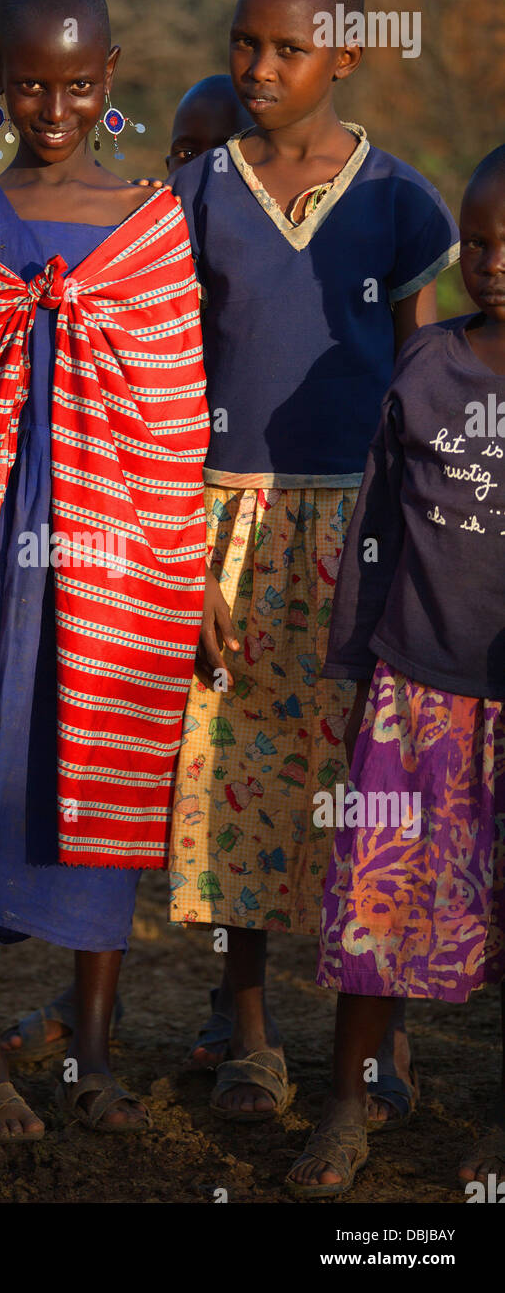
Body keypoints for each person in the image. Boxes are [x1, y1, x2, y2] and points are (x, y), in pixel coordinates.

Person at [0, 0, 209, 1140]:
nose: (54, 108)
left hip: (112, 565)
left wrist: (179, 571)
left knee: (101, 787)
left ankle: (93, 1061)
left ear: (110, 80)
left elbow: (175, 418)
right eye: (30, 84)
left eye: (77, 86)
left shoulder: (150, 229)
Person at [167, 0, 458, 1122]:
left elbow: (426, 380)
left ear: (344, 54)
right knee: (233, 766)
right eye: (245, 43)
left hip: (361, 526)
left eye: (288, 49)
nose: (260, 67)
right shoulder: (197, 193)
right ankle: (243, 1020)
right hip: (227, 522)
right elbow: (170, 371)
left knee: (363, 776)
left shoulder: (399, 203)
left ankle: (372, 1036)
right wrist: (184, 550)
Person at [287, 145, 505, 1196]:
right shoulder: (426, 367)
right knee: (373, 914)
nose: (492, 261)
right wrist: (353, 668)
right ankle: (348, 1097)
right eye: (477, 240)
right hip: (415, 691)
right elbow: (376, 522)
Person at [165, 75, 247, 175]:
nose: (203, 167)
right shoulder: (160, 189)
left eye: (224, 155)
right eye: (188, 154)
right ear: (169, 166)